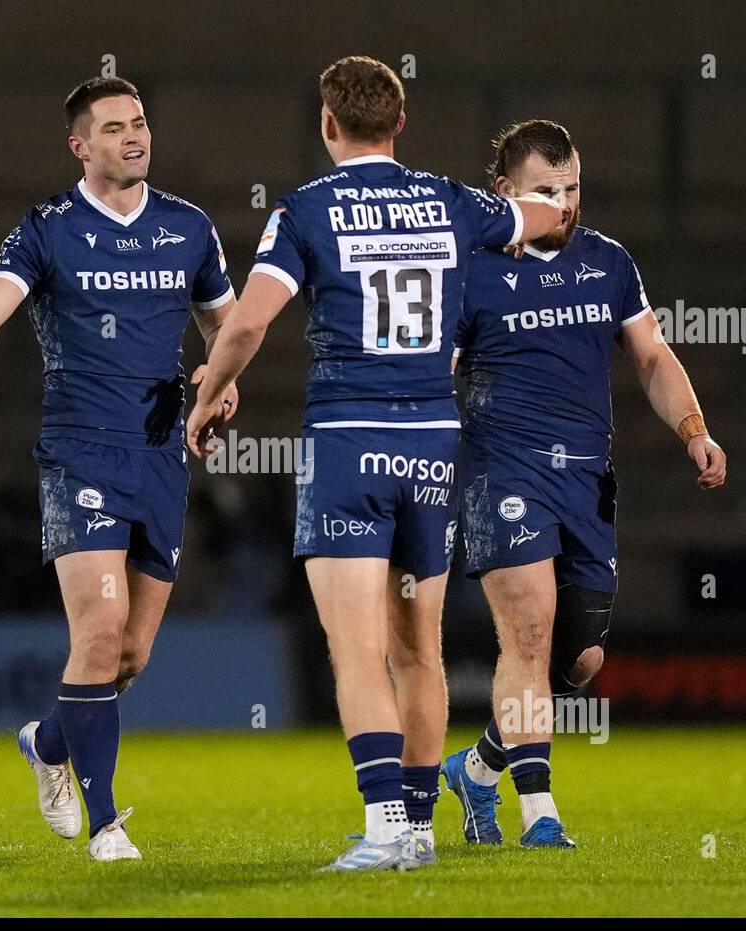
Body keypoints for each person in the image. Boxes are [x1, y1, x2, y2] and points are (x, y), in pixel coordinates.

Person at [186, 57, 564, 872]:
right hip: (432, 443)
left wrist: (210, 392)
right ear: (401, 121)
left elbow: (247, 326)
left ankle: (387, 825)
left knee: (355, 652)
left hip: (349, 445)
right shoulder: (451, 202)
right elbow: (540, 218)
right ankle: (419, 829)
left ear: (328, 125)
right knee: (417, 649)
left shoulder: (306, 212)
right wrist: (544, 207)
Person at [0, 77, 236, 861]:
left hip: (159, 457)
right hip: (79, 452)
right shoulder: (48, 230)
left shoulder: (189, 228)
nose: (134, 136)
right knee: (97, 635)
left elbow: (225, 324)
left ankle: (49, 744)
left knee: (130, 656)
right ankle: (106, 827)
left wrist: (222, 385)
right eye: (115, 127)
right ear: (80, 145)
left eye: (140, 123)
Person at [441, 120, 726, 849]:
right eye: (546, 191)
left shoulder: (607, 262)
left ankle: (477, 770)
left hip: (586, 479)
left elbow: (653, 357)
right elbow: (431, 373)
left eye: (572, 190)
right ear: (503, 193)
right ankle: (541, 813)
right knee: (528, 631)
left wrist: (694, 430)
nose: (564, 205)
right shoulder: (468, 269)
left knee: (579, 660)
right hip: (502, 471)